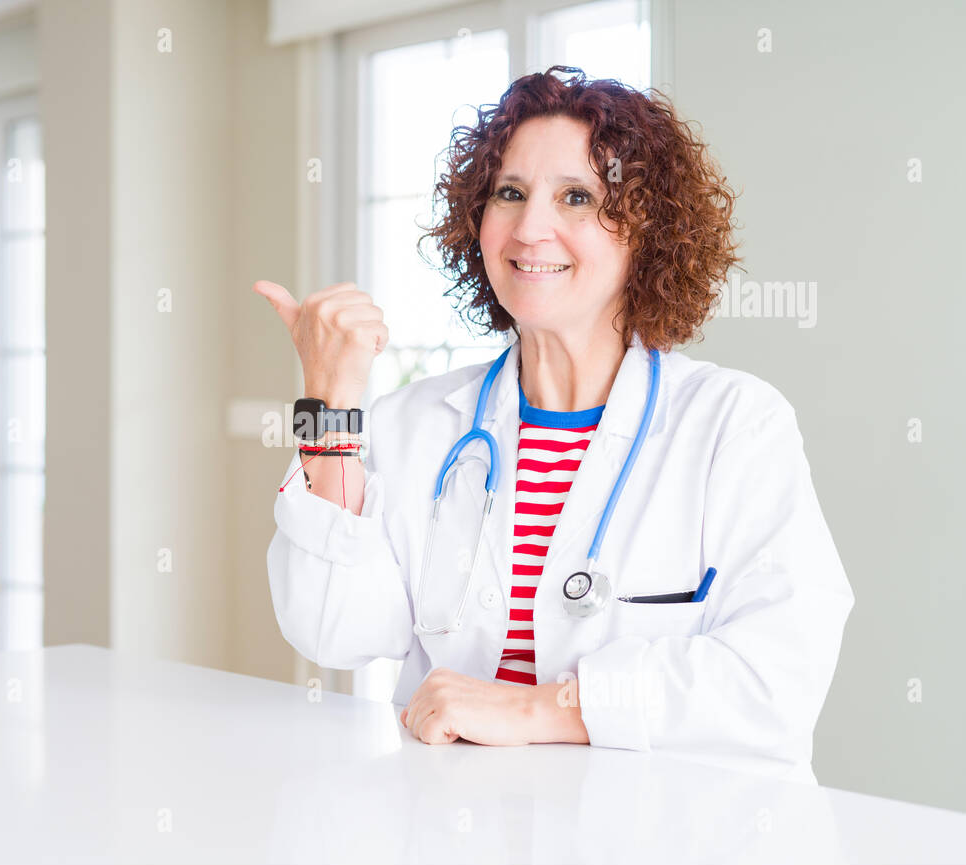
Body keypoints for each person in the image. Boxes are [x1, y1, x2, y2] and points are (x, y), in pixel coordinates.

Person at [254, 66, 853, 785]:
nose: (530, 227)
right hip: (456, 826)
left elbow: (775, 681)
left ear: (647, 233)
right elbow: (333, 627)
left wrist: (540, 710)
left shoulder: (736, 426)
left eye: (577, 196)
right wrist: (331, 399)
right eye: (510, 193)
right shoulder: (416, 424)